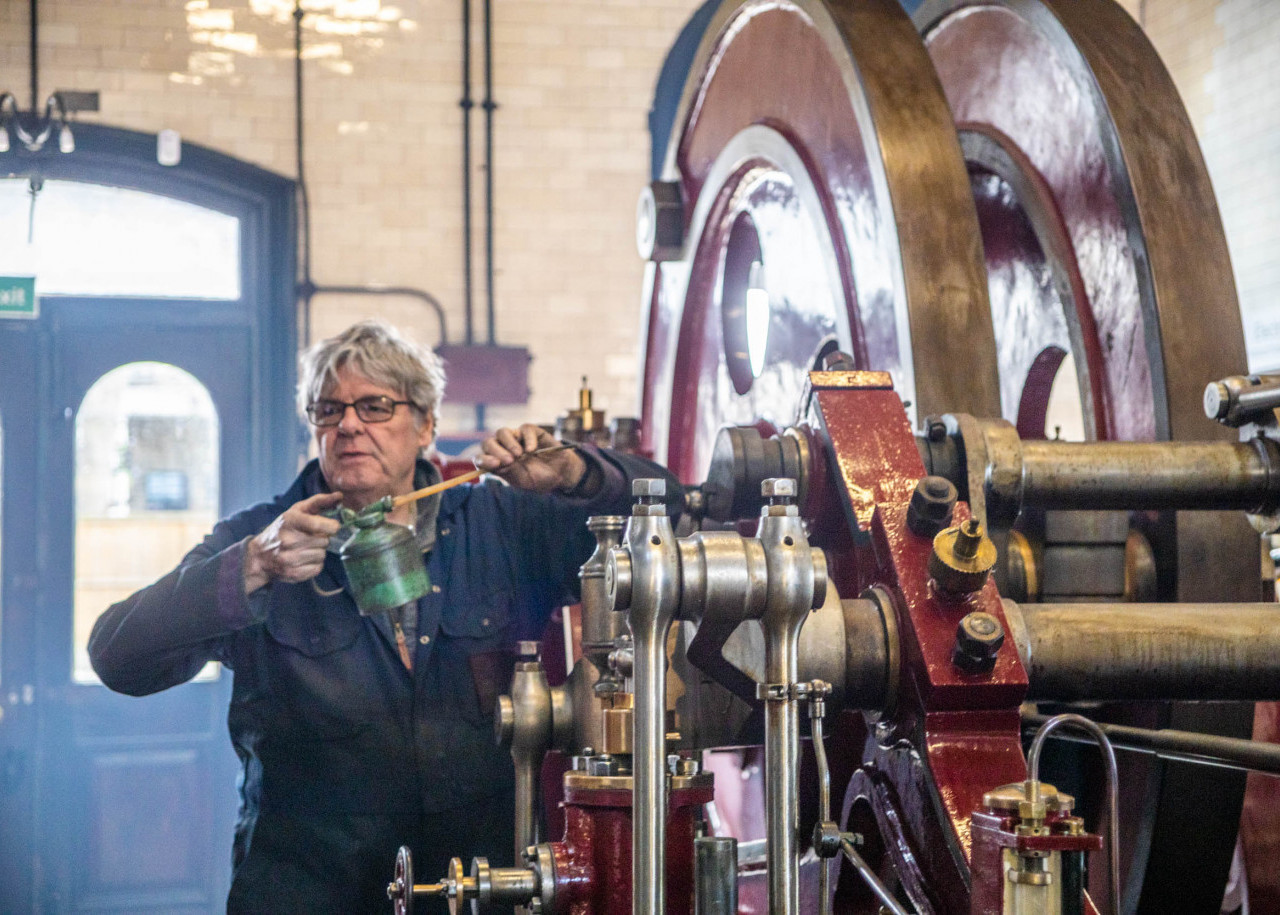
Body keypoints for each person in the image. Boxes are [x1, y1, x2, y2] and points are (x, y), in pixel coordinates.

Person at [88, 319, 678, 913]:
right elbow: (117, 657)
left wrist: (576, 472)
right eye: (328, 409)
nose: (348, 425)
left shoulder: (499, 524)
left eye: (374, 406)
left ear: (426, 425)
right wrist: (248, 568)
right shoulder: (260, 539)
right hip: (309, 890)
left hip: (478, 885)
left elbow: (673, 515)